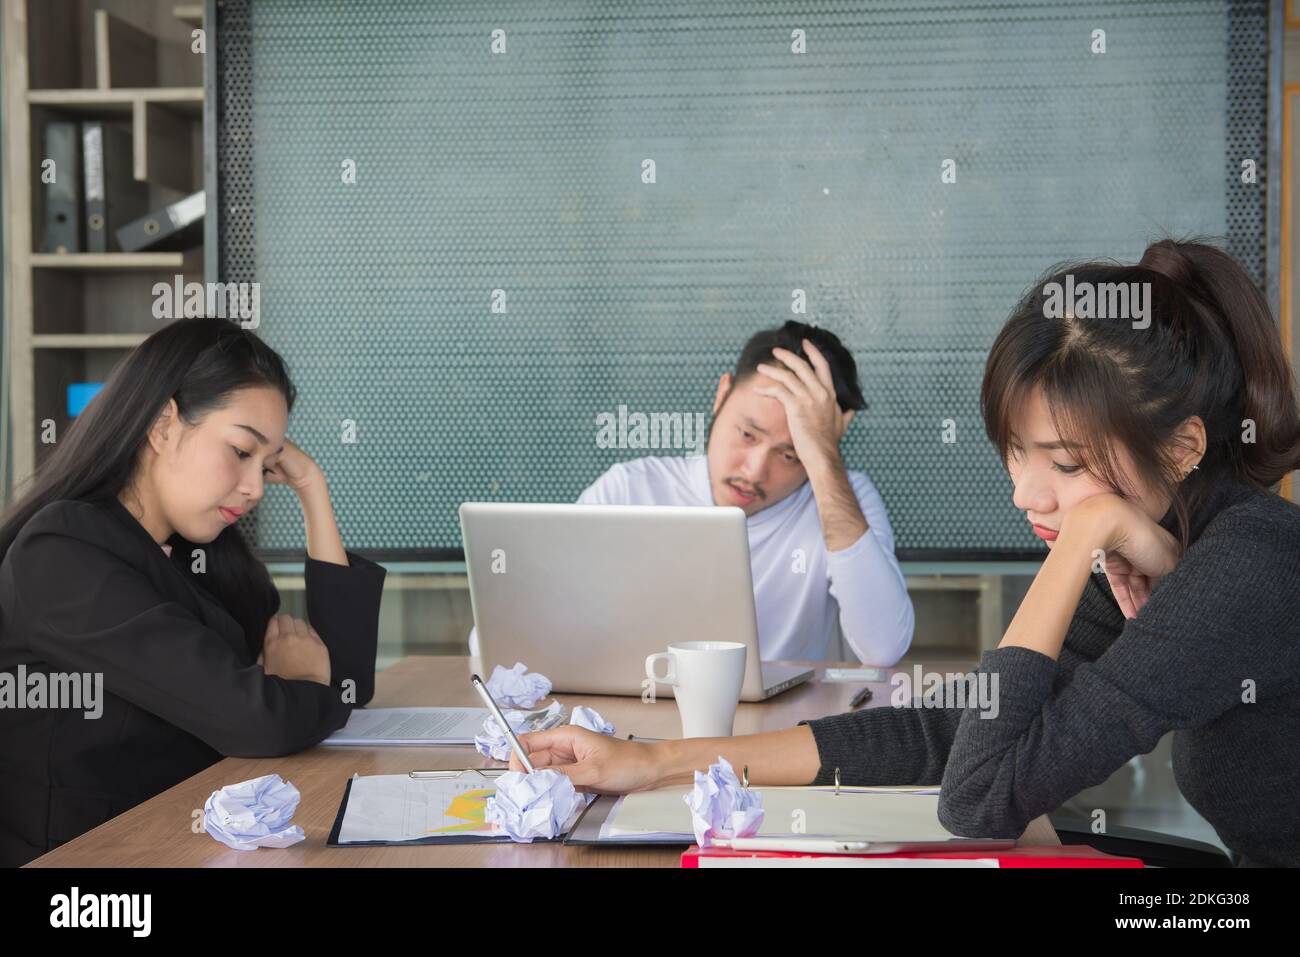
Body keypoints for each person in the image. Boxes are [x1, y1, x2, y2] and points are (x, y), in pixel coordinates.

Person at [508, 239, 1300, 867]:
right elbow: (956, 730)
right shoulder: (1172, 541)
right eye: (1016, 454)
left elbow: (983, 793)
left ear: (1185, 446)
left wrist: (1084, 538)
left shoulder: (1243, 564)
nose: (1027, 494)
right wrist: (652, 761)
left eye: (1064, 464)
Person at [0, 318, 386, 867]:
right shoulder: (62, 552)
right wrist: (297, 682)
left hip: (184, 847)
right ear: (162, 426)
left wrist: (311, 489)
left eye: (269, 463)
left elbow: (345, 691)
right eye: (241, 451)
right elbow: (259, 718)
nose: (255, 487)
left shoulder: (197, 557)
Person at [470, 320, 915, 664]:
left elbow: (882, 647)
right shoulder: (630, 490)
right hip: (635, 733)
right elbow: (500, 641)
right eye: (746, 433)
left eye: (790, 454)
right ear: (721, 395)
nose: (754, 470)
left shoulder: (845, 498)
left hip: (782, 742)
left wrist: (823, 459)